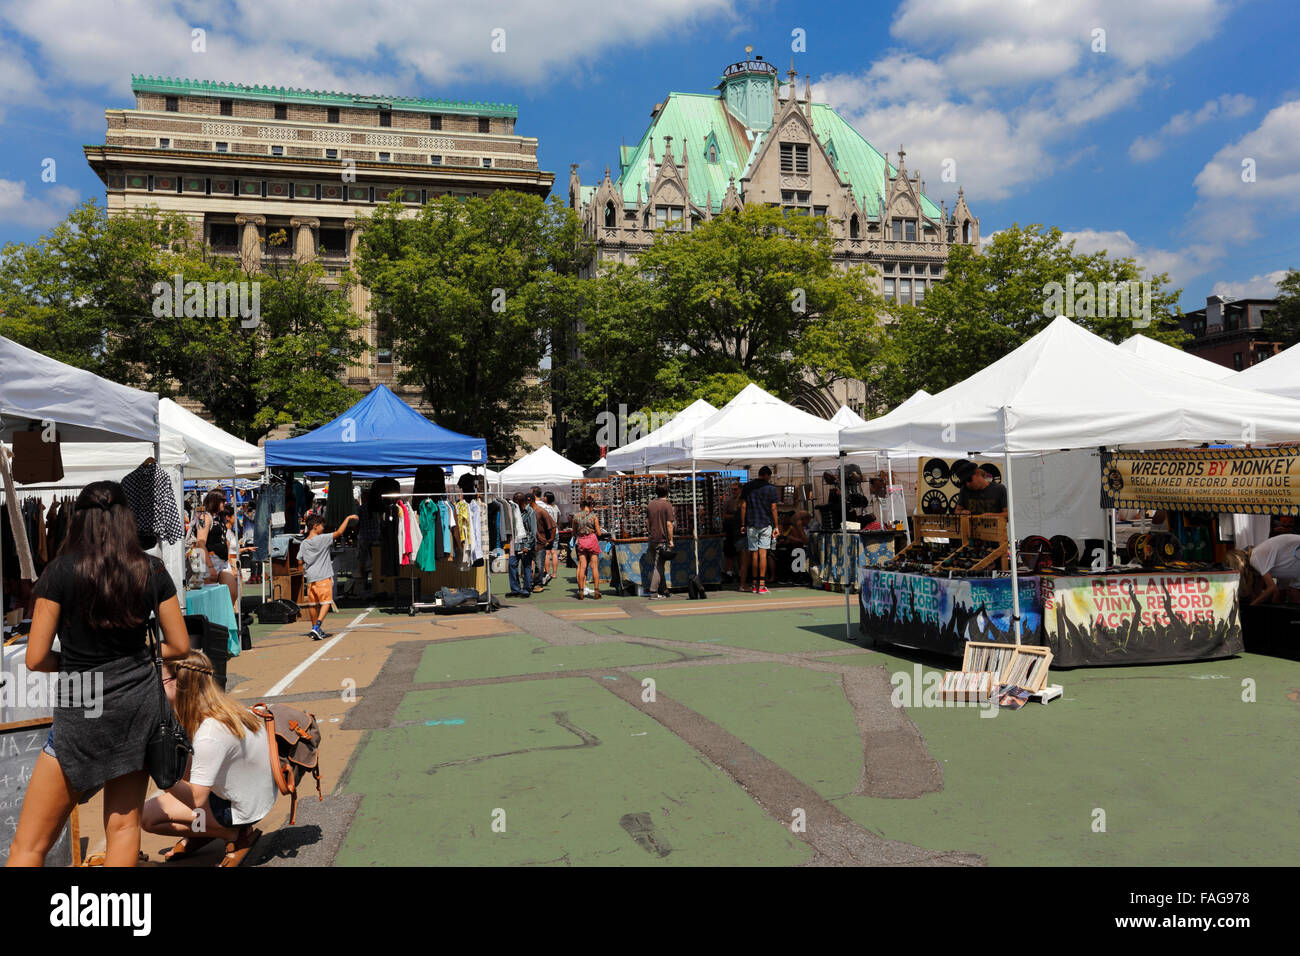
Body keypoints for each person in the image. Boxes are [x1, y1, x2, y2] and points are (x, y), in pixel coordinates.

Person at [7, 481, 191, 867]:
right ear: (127, 519)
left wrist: (75, 664)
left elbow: (36, 657)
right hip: (137, 705)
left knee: (29, 845)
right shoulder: (150, 568)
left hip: (81, 704)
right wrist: (135, 658)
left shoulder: (59, 572)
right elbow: (179, 645)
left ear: (78, 520)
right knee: (123, 828)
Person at [142, 650, 276, 866]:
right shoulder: (226, 709)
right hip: (255, 797)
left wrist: (160, 772)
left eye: (161, 681)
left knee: (147, 817)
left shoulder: (210, 733)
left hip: (241, 810)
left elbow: (195, 799)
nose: (155, 688)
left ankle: (231, 834)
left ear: (180, 683)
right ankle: (208, 829)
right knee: (169, 800)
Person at [299, 512, 357, 640]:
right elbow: (339, 533)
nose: (323, 528)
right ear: (315, 526)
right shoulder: (322, 539)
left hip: (310, 577)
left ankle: (315, 628)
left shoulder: (304, 543)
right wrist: (347, 518)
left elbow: (299, 560)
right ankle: (317, 627)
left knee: (313, 604)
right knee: (326, 602)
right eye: (321, 525)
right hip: (323, 576)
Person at [740, 466, 781, 594]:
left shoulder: (747, 486)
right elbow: (774, 508)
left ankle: (753, 584)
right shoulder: (771, 489)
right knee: (763, 554)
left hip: (751, 524)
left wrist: (743, 524)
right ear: (767, 475)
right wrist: (776, 526)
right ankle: (762, 585)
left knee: (754, 554)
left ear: (759, 474)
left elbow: (743, 506)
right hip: (765, 523)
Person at [196, 490, 238, 611]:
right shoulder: (204, 516)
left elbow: (226, 541)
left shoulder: (219, 517)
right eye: (222, 500)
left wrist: (230, 563)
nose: (225, 503)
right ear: (214, 500)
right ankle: (215, 623)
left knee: (232, 592)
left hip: (222, 561)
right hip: (210, 559)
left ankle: (224, 620)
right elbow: (200, 543)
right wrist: (209, 567)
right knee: (210, 598)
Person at [1230, 534, 1300, 605]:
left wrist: (1252, 605)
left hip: (1295, 553)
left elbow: (1272, 588)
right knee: (1286, 594)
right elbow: (1259, 590)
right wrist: (1256, 598)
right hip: (1293, 559)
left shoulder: (1255, 558)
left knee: (1293, 594)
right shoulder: (1257, 561)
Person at [646, 483, 675, 600]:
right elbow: (669, 524)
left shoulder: (650, 504)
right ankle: (653, 592)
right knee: (659, 567)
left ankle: (663, 590)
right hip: (661, 539)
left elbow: (647, 521)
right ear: (667, 492)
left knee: (659, 565)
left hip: (652, 538)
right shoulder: (667, 505)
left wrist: (650, 532)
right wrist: (671, 540)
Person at [572, 495, 603, 599]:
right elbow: (599, 533)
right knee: (594, 567)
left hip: (581, 541)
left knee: (582, 566)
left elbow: (574, 532)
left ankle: (581, 591)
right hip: (592, 541)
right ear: (590, 505)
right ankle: (596, 592)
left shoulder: (575, 516)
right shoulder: (593, 516)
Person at [507, 492, 536, 597]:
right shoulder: (513, 511)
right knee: (511, 565)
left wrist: (527, 546)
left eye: (515, 501)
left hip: (525, 544)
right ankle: (515, 589)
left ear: (520, 501)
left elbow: (532, 531)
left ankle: (526, 589)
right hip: (514, 543)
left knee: (526, 567)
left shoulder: (530, 512)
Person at [530, 492, 555, 592]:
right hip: (530, 542)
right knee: (531, 565)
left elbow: (553, 526)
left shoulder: (541, 511)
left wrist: (550, 540)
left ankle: (538, 583)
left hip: (540, 542)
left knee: (539, 565)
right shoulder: (528, 511)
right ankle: (533, 582)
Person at [543, 492, 562, 580]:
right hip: (556, 531)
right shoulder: (556, 507)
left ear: (546, 498)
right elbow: (558, 520)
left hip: (548, 532)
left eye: (544, 497)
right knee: (554, 553)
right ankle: (554, 573)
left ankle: (547, 572)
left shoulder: (545, 507)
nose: (543, 498)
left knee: (547, 553)